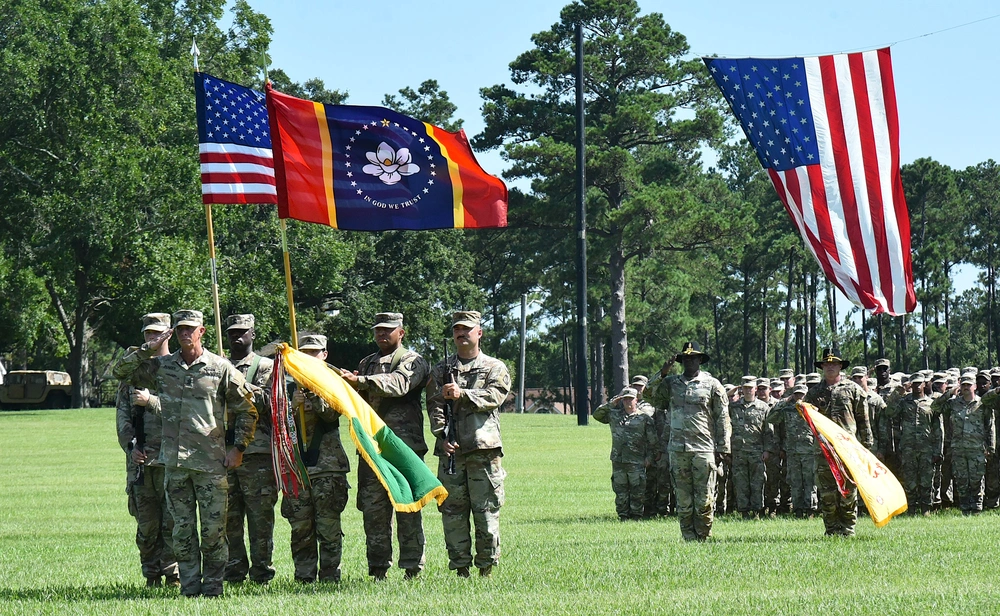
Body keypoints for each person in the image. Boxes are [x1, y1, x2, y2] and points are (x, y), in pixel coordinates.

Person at [114, 309, 257, 598]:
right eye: (179, 328)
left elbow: (247, 409)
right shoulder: (162, 367)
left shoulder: (220, 367)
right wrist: (148, 348)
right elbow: (122, 372)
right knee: (181, 531)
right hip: (175, 464)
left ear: (201, 331)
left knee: (213, 531)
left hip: (210, 464)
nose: (184, 333)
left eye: (190, 328)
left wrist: (239, 448)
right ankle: (190, 588)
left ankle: (213, 587)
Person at [339, 312, 430, 581]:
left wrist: (361, 382)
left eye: (388, 330)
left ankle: (412, 567)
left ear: (401, 332)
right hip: (372, 448)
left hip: (404, 449)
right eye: (378, 330)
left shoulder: (413, 360)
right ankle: (378, 569)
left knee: (408, 506)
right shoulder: (366, 363)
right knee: (373, 510)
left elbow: (399, 384)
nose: (381, 334)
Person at [427, 311, 512, 578]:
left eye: (467, 329)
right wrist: (441, 434)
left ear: (479, 333)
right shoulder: (441, 369)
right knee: (452, 513)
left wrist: (462, 393)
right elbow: (434, 405)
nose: (461, 333)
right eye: (457, 330)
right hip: (451, 452)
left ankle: (486, 568)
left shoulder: (494, 367)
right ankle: (460, 568)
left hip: (483, 451)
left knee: (486, 511)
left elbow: (495, 396)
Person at [115, 312, 178, 587]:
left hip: (171, 457)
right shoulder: (133, 369)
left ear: (169, 334)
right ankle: (151, 575)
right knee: (146, 524)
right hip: (141, 461)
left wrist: (151, 401)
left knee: (173, 521)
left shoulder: (178, 367)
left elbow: (184, 411)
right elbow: (123, 416)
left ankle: (174, 574)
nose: (153, 337)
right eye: (148, 333)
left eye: (158, 333)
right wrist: (130, 447)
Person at [281, 333, 351, 584]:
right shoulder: (287, 385)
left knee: (328, 528)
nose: (310, 357)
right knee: (300, 528)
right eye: (305, 352)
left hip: (327, 466)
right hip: (297, 467)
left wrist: (313, 394)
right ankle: (304, 577)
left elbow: (332, 414)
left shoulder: (334, 382)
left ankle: (330, 576)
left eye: (315, 352)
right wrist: (291, 405)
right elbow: (276, 423)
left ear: (324, 354)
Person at [646, 342, 730, 542]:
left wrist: (723, 447)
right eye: (686, 358)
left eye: (693, 358)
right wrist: (662, 373)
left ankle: (704, 536)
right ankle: (689, 539)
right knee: (683, 501)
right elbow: (649, 396)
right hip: (678, 449)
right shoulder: (671, 384)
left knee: (704, 499)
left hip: (703, 448)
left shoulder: (712, 385)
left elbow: (722, 417)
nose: (689, 361)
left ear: (700, 359)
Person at [222, 314, 277, 585]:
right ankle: (233, 570)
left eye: (242, 332)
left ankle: (262, 572)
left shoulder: (265, 366)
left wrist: (236, 383)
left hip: (257, 453)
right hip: (222, 451)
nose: (237, 336)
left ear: (252, 334)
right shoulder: (218, 365)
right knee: (228, 517)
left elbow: (267, 400)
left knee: (260, 517)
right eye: (232, 332)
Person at [804, 348, 871, 537]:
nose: (830, 367)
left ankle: (848, 529)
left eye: (834, 363)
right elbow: (808, 420)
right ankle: (831, 529)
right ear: (822, 367)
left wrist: (866, 446)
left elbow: (863, 420)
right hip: (823, 450)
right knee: (827, 493)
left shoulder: (853, 389)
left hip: (848, 450)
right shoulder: (814, 393)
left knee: (848, 491)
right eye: (827, 364)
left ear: (840, 366)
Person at [593, 386, 657, 520]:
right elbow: (597, 415)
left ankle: (636, 515)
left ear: (636, 400)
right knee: (620, 489)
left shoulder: (644, 418)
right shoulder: (614, 415)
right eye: (625, 399)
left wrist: (649, 458)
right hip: (618, 460)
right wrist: (611, 404)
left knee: (637, 490)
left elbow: (653, 441)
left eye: (630, 399)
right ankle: (623, 515)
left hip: (637, 460)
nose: (628, 401)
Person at [884, 372, 943, 515]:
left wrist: (938, 451)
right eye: (914, 383)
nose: (917, 386)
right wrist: (899, 391)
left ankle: (926, 509)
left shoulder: (931, 404)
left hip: (926, 448)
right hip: (908, 448)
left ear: (924, 384)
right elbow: (889, 412)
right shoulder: (904, 402)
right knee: (909, 479)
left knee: (926, 480)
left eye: (919, 383)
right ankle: (911, 509)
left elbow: (938, 429)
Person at [766, 383, 816, 517]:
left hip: (809, 451)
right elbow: (771, 418)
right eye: (796, 394)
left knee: (810, 481)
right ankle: (798, 509)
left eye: (802, 394)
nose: (799, 397)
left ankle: (810, 510)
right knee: (795, 482)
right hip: (792, 452)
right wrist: (784, 402)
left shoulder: (812, 409)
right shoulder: (787, 409)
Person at [729, 376, 772, 519]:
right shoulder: (733, 407)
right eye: (745, 388)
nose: (748, 390)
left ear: (755, 389)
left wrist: (767, 450)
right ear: (741, 389)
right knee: (741, 483)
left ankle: (757, 511)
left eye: (750, 388)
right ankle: (744, 512)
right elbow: (720, 403)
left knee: (757, 483)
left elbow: (768, 431)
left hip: (756, 452)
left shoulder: (763, 407)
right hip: (738, 451)